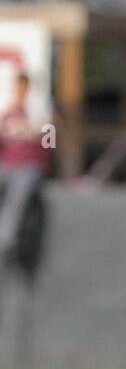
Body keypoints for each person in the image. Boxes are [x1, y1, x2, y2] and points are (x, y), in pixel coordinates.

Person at [0, 72, 48, 264]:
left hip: (27, 166)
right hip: (6, 164)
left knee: (17, 198)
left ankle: (5, 240)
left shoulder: (38, 110)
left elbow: (49, 141)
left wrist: (32, 131)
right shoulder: (8, 109)